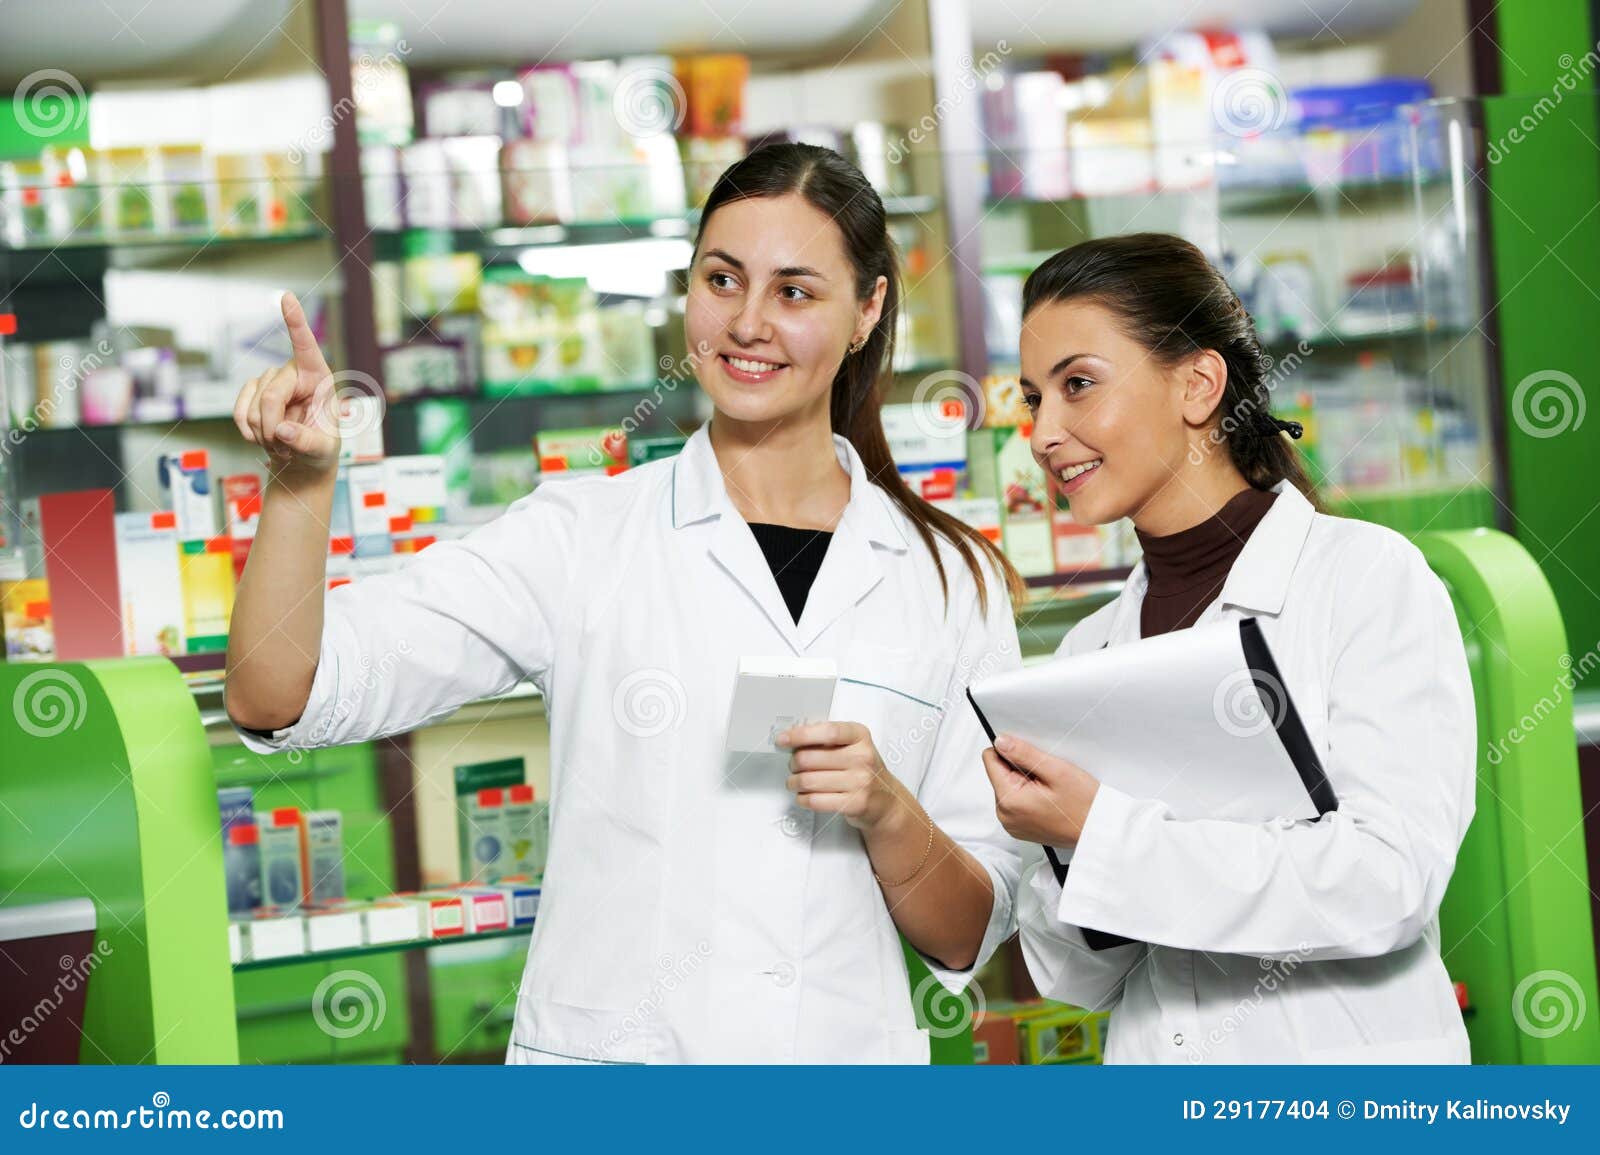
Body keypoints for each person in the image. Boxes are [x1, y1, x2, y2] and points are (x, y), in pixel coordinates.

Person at [224, 143, 1025, 1064]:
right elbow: (276, 691)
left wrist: (889, 810)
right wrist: (300, 483)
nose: (750, 322)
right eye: (722, 280)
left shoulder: (947, 578)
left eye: (796, 292)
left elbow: (969, 930)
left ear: (867, 310)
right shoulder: (580, 537)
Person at [983, 232, 1475, 1064]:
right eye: (1035, 398)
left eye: (1079, 385)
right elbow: (1075, 979)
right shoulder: (1088, 650)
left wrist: (1104, 832)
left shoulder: (1366, 580)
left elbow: (1388, 881)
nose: (1042, 433)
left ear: (1198, 384)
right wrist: (1067, 849)